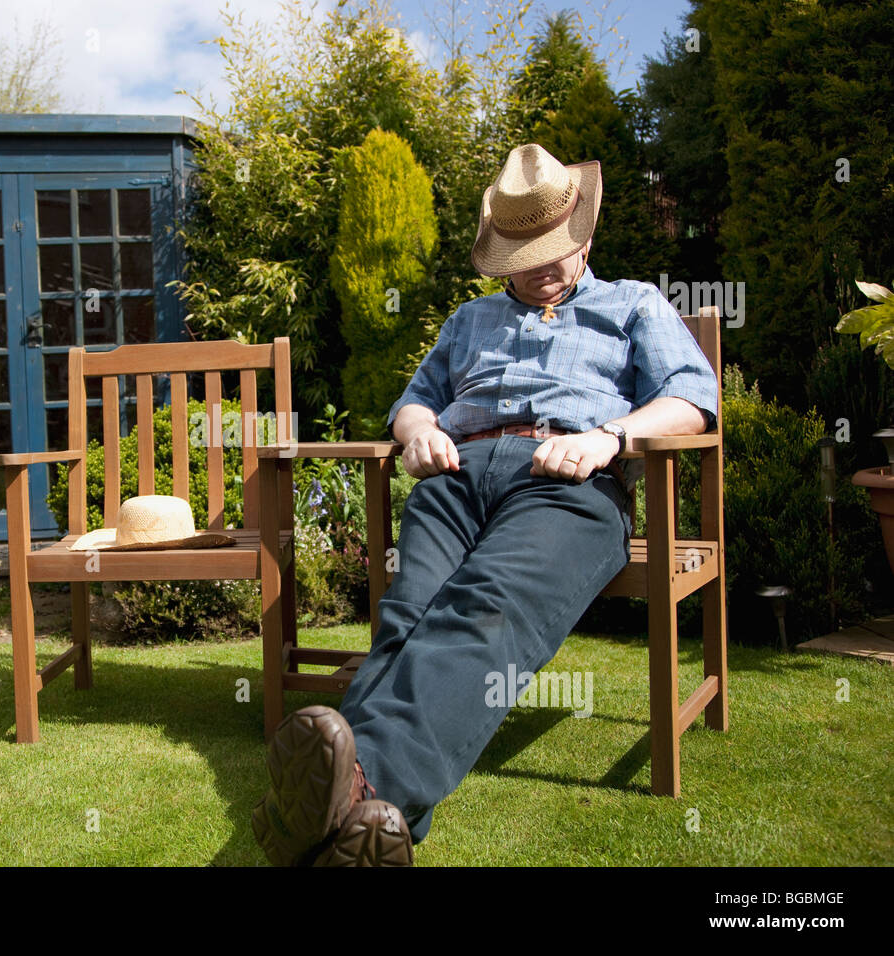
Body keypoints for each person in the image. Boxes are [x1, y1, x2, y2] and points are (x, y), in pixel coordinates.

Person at [251, 143, 720, 866]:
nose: (543, 265)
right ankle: (358, 818)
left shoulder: (633, 304)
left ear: (585, 233)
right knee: (408, 614)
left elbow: (693, 401)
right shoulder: (469, 321)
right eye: (524, 253)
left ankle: (342, 795)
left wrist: (610, 436)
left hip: (566, 479)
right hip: (457, 476)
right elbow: (412, 403)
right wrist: (420, 433)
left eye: (555, 247)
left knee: (484, 604)